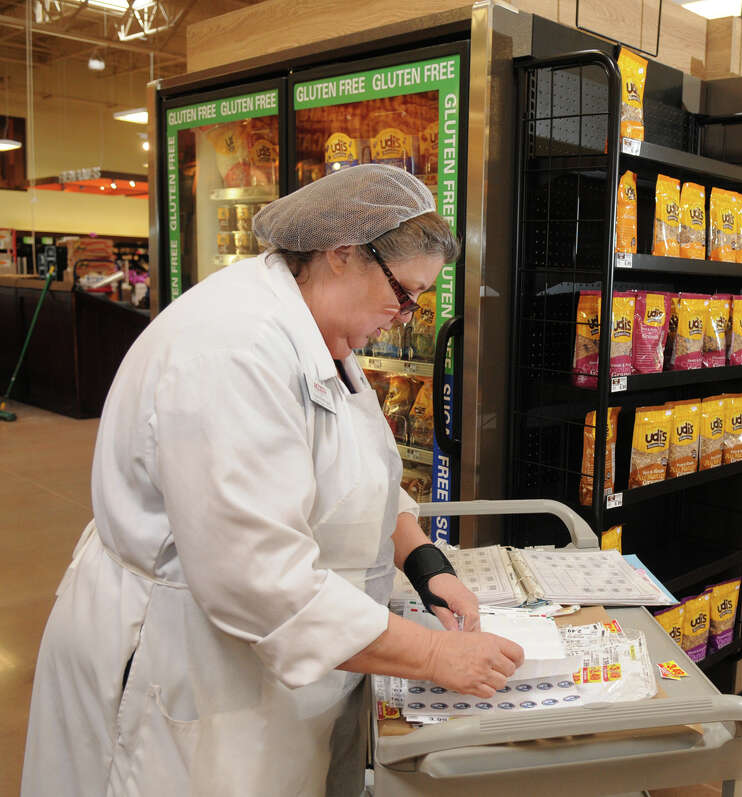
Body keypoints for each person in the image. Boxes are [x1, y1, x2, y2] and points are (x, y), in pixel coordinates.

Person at [22, 164, 524, 796]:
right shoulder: (234, 349)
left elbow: (361, 472)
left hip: (285, 663)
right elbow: (257, 580)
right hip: (185, 660)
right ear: (343, 254)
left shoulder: (320, 333)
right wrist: (433, 656)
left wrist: (423, 561)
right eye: (404, 294)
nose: (405, 317)